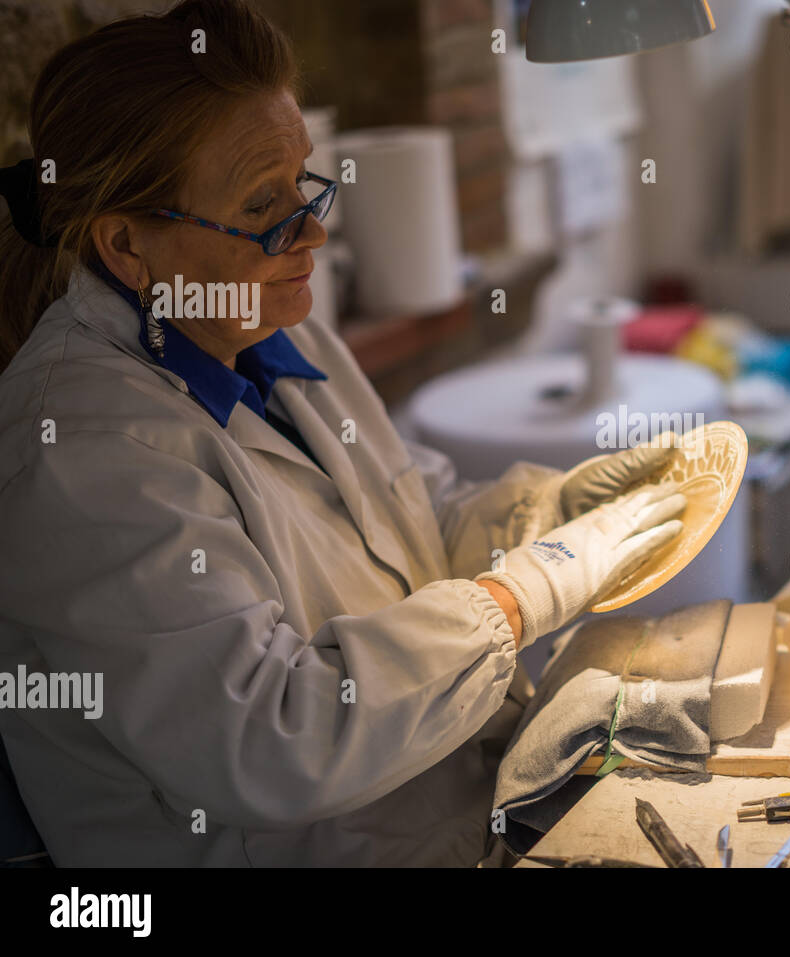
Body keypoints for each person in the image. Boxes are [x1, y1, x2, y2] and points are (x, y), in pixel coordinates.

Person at [0, 0, 684, 866]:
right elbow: (276, 738)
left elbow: (416, 511)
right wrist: (522, 597)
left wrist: (545, 509)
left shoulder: (267, 323)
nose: (313, 231)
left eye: (303, 184)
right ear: (128, 246)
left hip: (455, 817)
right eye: (263, 204)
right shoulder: (78, 450)